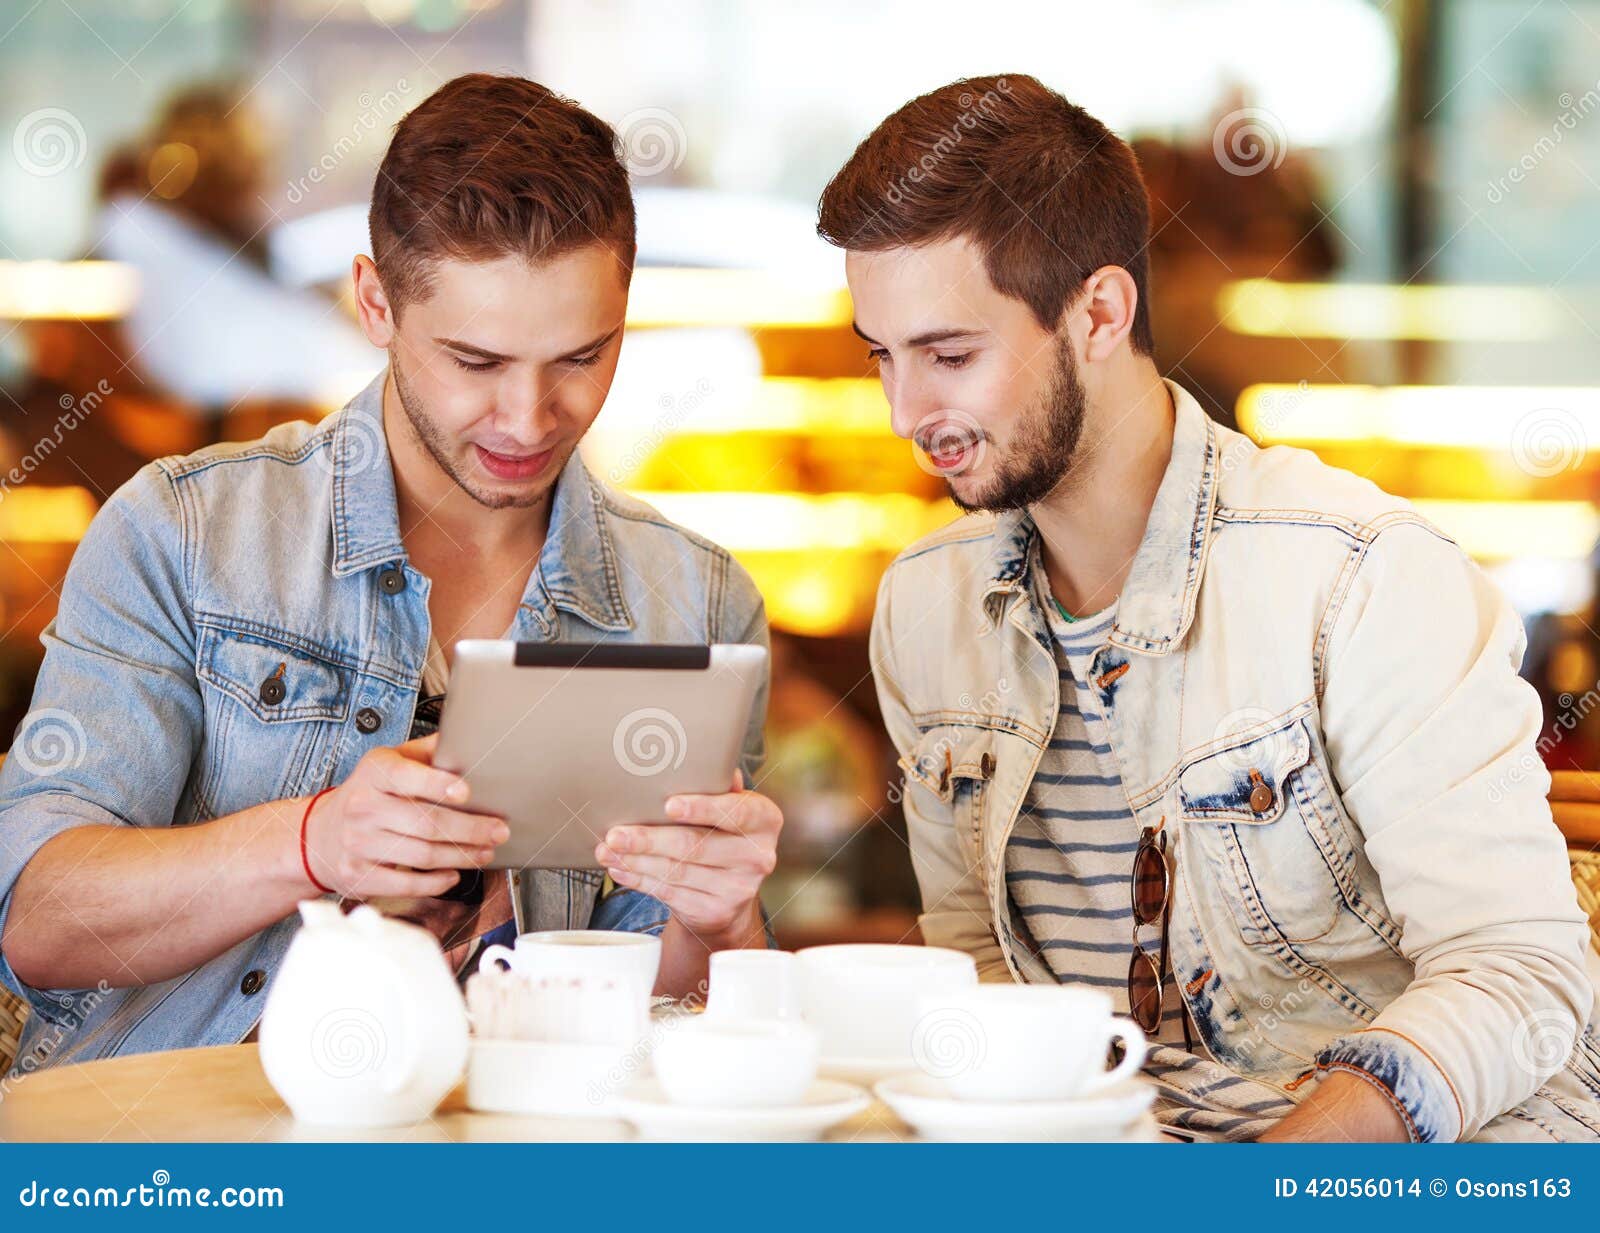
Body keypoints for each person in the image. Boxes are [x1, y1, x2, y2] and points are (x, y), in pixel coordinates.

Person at [818, 73, 1600, 1142]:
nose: (909, 412)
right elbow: (980, 970)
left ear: (1098, 312)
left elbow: (1518, 979)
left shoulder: (1362, 577)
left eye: (950, 355)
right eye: (883, 357)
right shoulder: (926, 605)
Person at [0, 74, 782, 1073]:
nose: (528, 418)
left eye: (580, 357)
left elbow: (658, 1036)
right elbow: (40, 920)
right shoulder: (185, 532)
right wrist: (314, 843)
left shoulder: (701, 602)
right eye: (476, 361)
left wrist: (720, 930)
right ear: (375, 302)